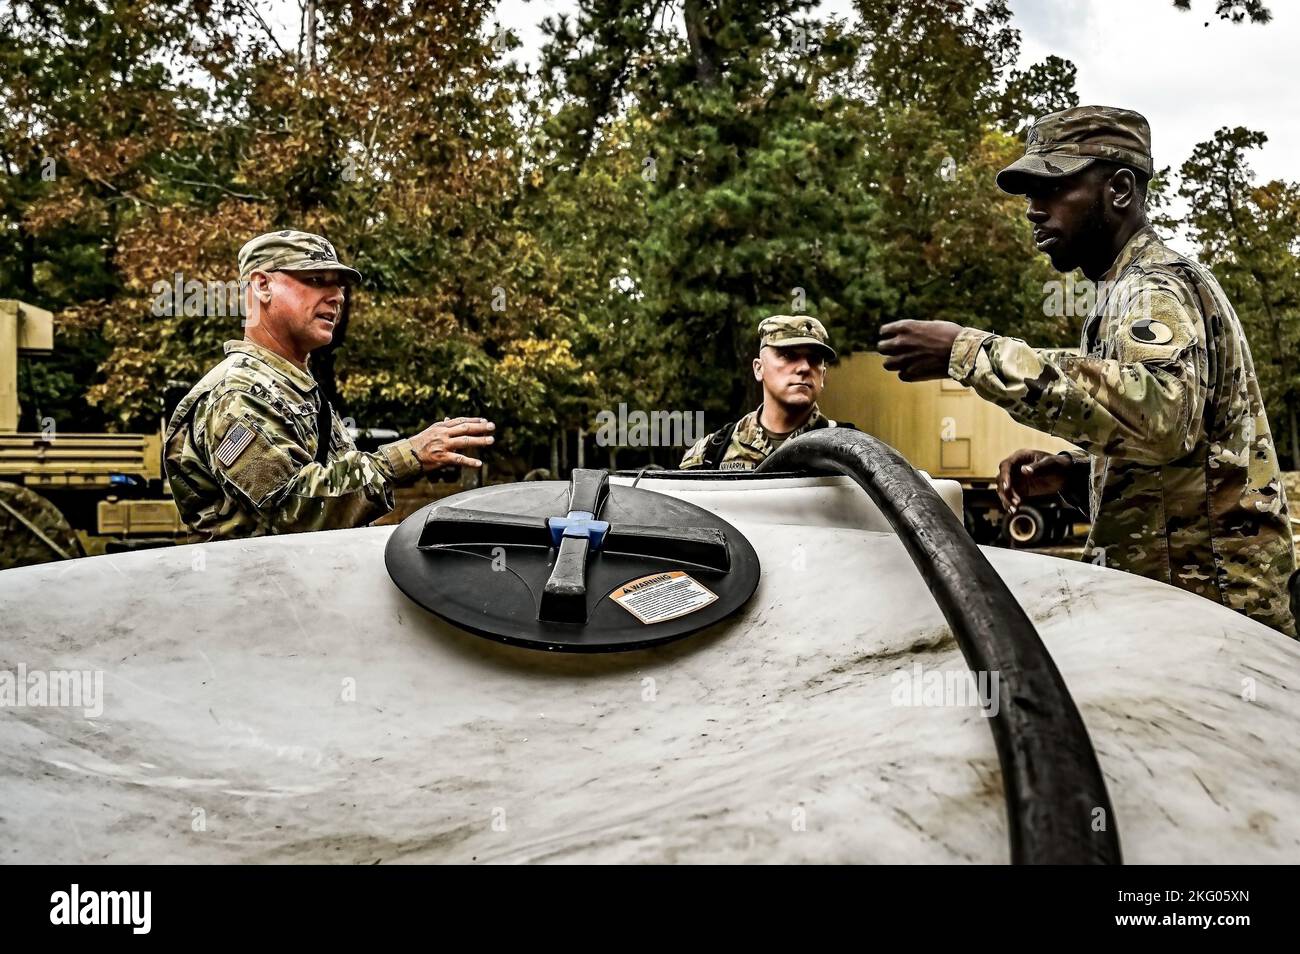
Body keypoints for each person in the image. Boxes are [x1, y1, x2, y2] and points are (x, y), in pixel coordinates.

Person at [876, 105, 1296, 636]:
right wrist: (1075, 471)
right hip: (1182, 602)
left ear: (1119, 190)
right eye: (1030, 194)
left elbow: (1161, 417)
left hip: (1211, 611)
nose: (1033, 210)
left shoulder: (1154, 287)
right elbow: (1186, 448)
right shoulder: (1124, 291)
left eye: (1052, 188)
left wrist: (968, 352)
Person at [165, 229, 496, 541]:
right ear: (263, 285)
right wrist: (408, 457)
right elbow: (296, 511)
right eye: (315, 280)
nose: (337, 296)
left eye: (338, 285)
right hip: (255, 595)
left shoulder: (292, 388)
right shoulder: (237, 394)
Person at [680, 315, 848, 471]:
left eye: (814, 359)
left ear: (823, 375)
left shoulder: (850, 452)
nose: (804, 367)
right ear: (758, 369)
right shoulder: (710, 453)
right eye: (789, 355)